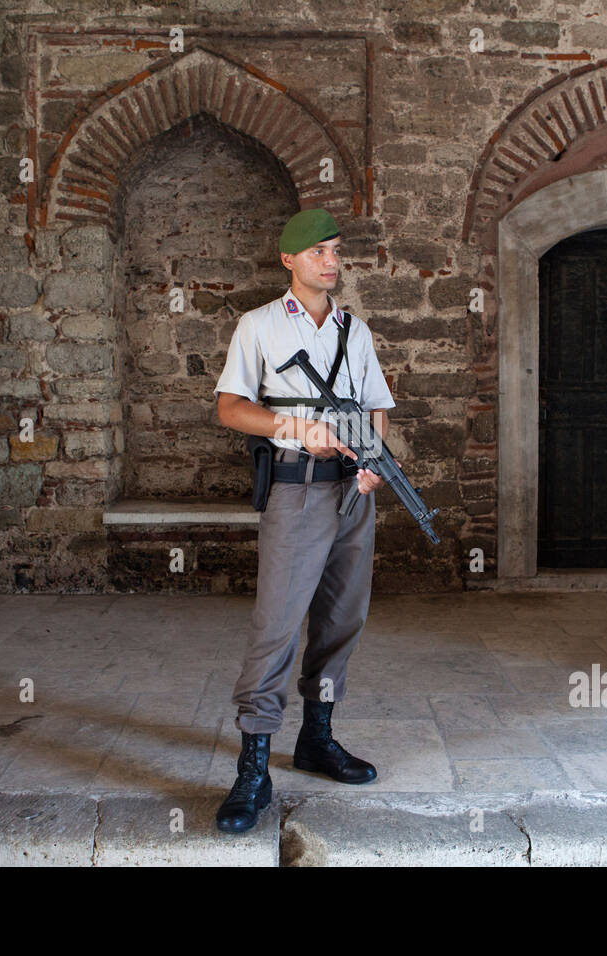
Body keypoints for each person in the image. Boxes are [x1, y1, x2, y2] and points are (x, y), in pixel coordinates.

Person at [211, 208, 396, 833]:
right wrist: (294, 427)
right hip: (295, 492)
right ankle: (254, 765)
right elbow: (231, 409)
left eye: (335, 250)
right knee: (278, 626)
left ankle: (317, 738)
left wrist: (374, 462)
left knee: (343, 618)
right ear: (288, 259)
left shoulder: (357, 330)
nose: (332, 261)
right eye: (319, 252)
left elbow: (375, 405)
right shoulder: (258, 326)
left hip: (353, 494)